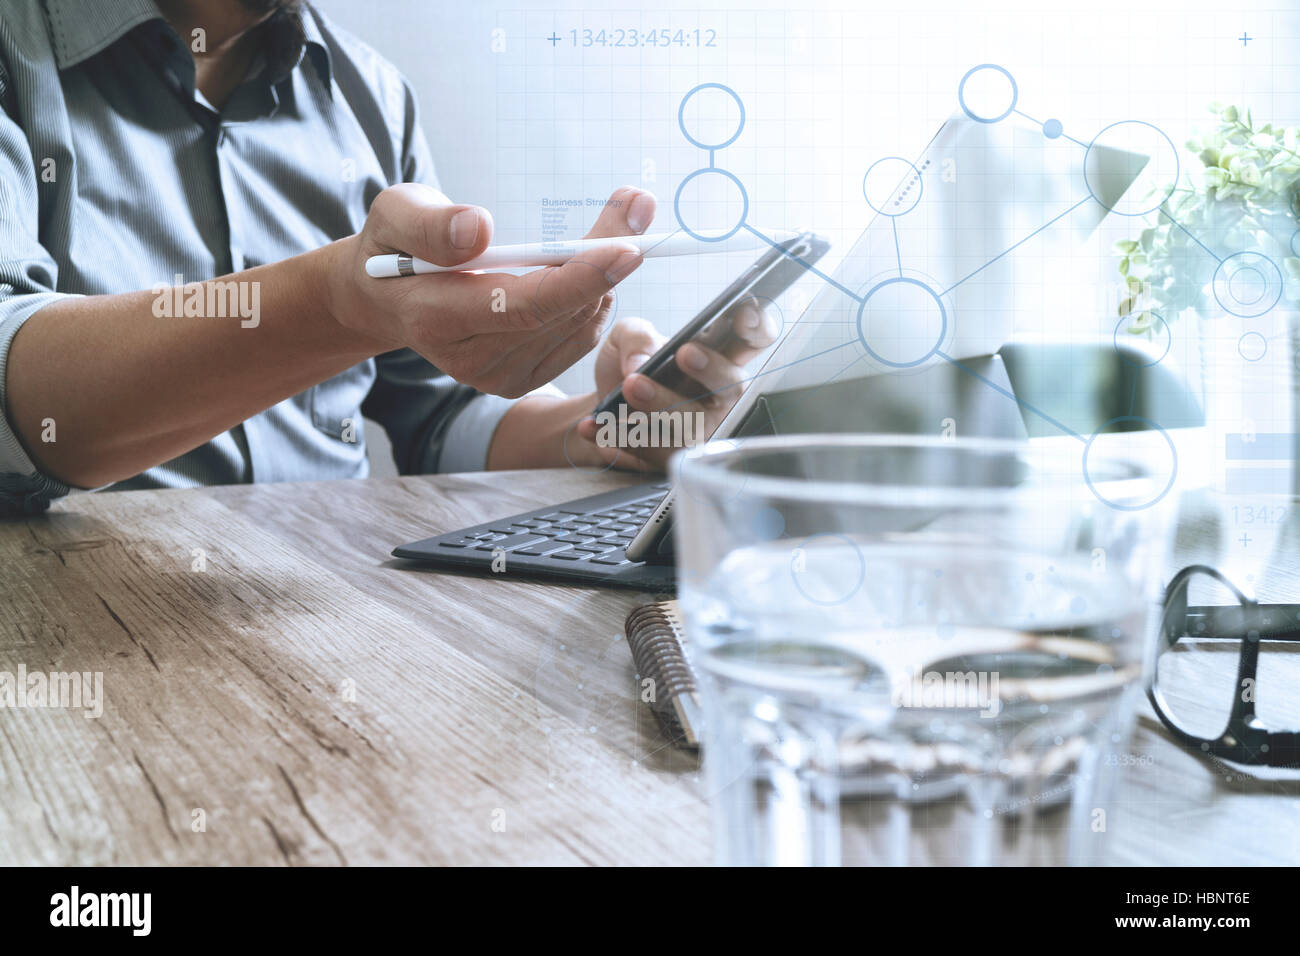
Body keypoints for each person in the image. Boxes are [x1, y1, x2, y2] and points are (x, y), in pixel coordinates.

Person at [0, 0, 775, 515]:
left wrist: (599, 428)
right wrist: (339, 302)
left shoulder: (369, 94)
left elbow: (436, 415)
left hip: (329, 619)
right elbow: (19, 405)